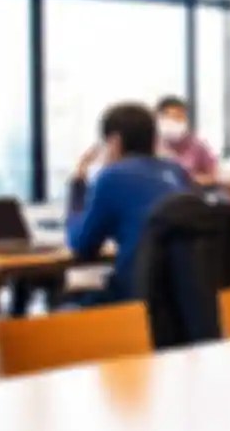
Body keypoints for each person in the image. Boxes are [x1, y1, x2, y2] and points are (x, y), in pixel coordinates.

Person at [67, 103, 193, 305]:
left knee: (69, 303)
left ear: (114, 142)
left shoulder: (112, 177)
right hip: (185, 296)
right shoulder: (177, 171)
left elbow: (83, 245)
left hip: (138, 297)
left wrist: (77, 186)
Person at [155, 95, 219, 186]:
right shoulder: (152, 144)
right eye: (170, 117)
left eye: (179, 117)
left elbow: (213, 175)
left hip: (189, 194)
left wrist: (191, 181)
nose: (174, 121)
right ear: (159, 119)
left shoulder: (197, 145)